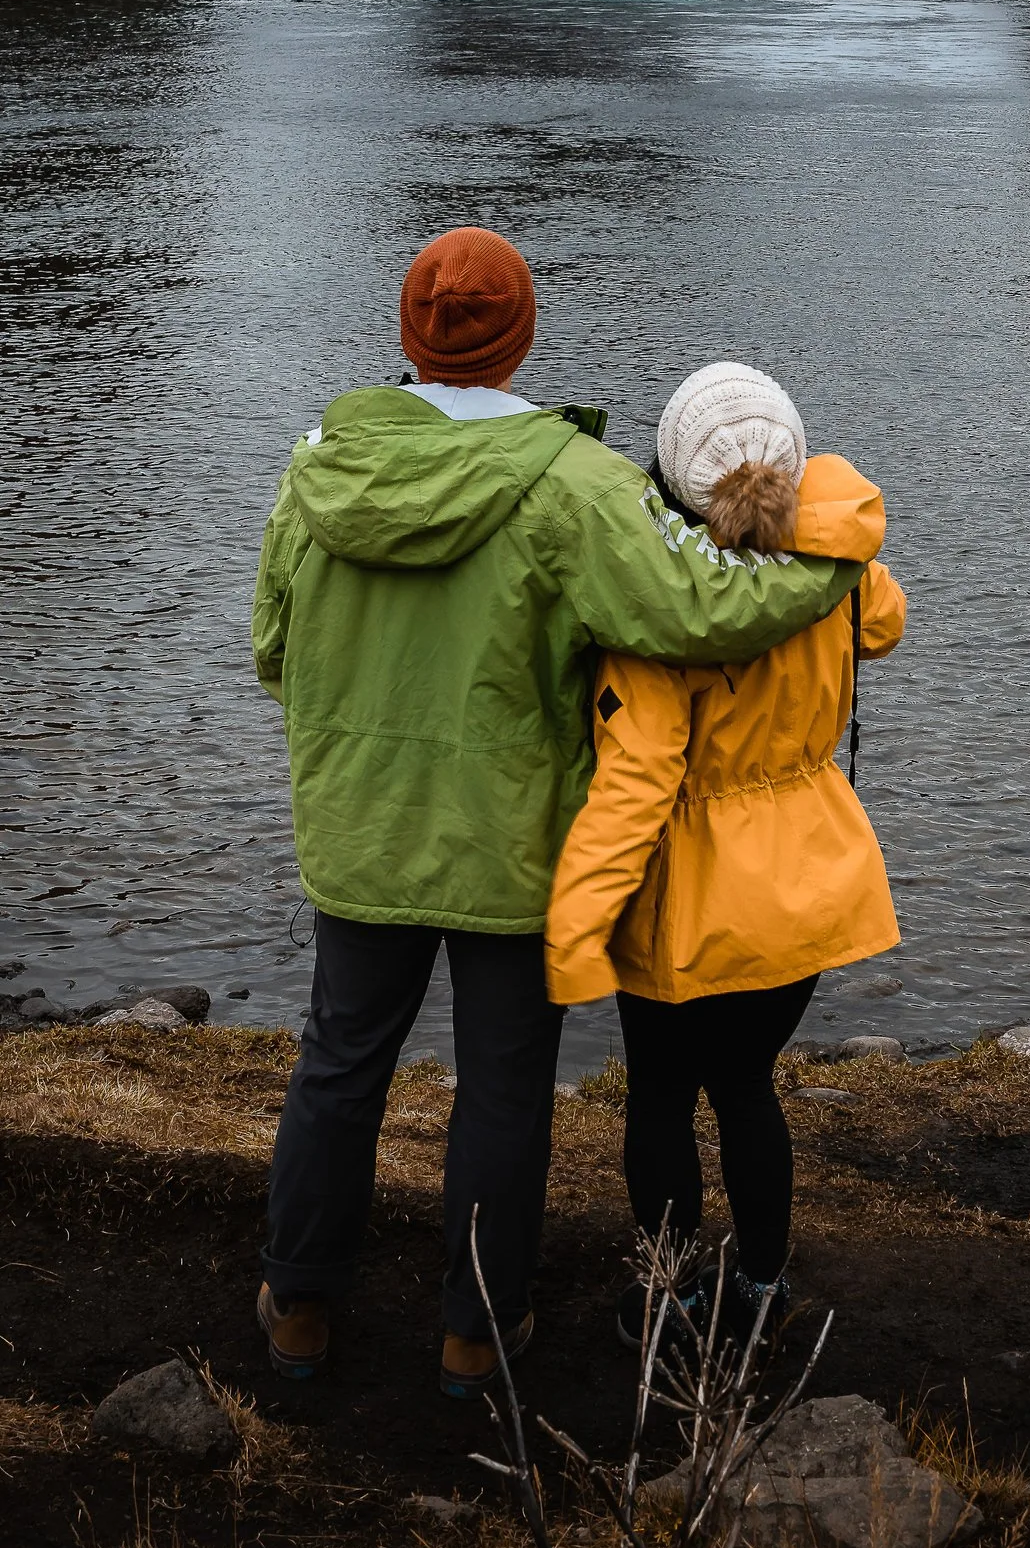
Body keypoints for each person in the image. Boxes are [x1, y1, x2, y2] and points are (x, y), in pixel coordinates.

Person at [251, 231, 859, 1399]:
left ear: (405, 334)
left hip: (359, 828)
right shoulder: (574, 484)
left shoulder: (316, 467)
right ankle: (477, 1334)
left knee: (338, 1066)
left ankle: (299, 1316)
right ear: (525, 338)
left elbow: (272, 650)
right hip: (510, 843)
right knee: (502, 1087)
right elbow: (696, 614)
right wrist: (833, 557)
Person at [544, 360, 905, 1335]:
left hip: (686, 904)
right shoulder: (839, 577)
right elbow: (888, 621)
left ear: (669, 482)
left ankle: (670, 1295)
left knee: (661, 1097)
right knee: (746, 1088)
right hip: (806, 887)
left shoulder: (657, 615)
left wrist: (575, 922)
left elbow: (635, 782)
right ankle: (762, 1287)